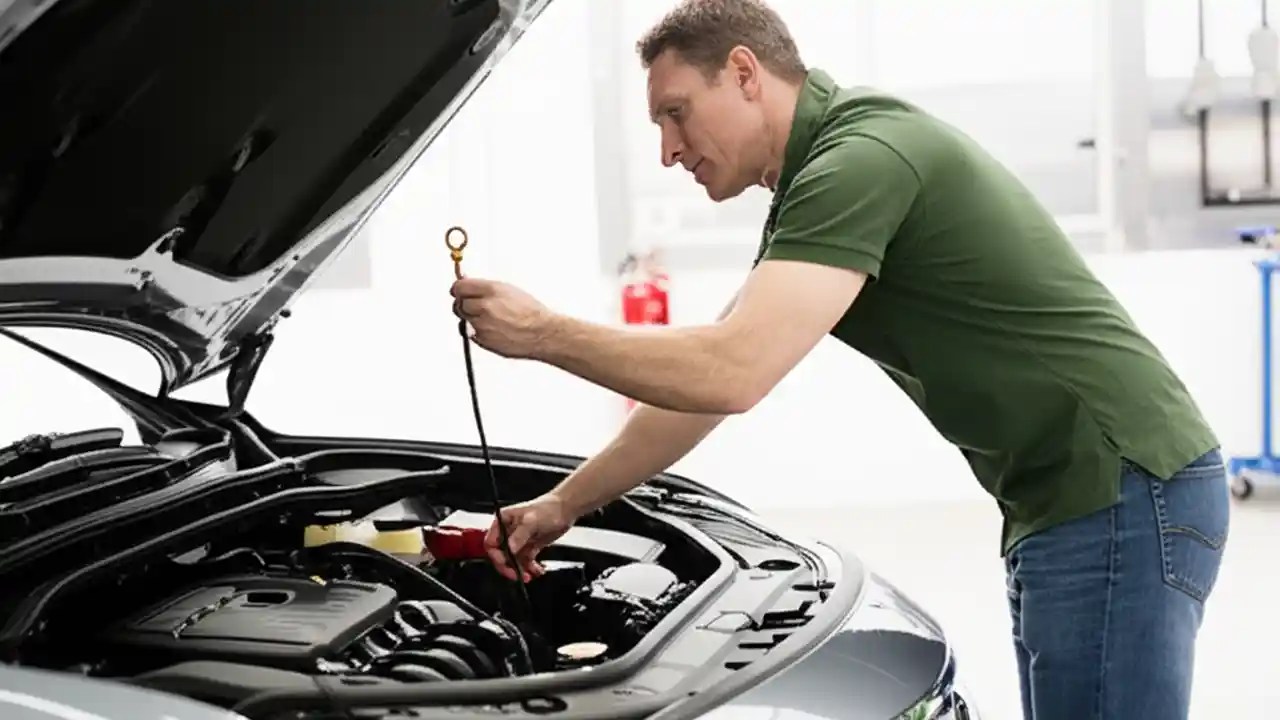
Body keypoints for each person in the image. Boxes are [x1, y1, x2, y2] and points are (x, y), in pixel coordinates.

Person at [447, 1, 1229, 718]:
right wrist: (563, 505)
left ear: (745, 73)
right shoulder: (823, 177)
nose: (667, 151)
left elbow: (733, 371)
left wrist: (544, 333)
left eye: (675, 113)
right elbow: (704, 389)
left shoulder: (861, 159)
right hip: (1076, 497)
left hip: (1120, 488)